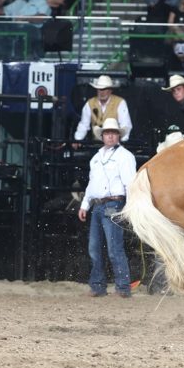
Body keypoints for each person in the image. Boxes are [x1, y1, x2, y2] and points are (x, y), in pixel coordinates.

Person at [78, 118, 135, 298]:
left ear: (118, 136)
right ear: (102, 136)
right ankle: (98, 286)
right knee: (94, 248)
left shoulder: (125, 156)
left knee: (113, 248)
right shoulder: (96, 158)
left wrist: (131, 204)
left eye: (113, 133)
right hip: (98, 204)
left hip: (114, 203)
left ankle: (122, 287)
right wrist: (85, 204)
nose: (110, 136)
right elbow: (92, 184)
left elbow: (130, 183)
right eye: (107, 133)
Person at [74, 74, 132, 144]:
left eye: (104, 89)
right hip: (96, 145)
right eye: (99, 89)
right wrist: (77, 140)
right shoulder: (89, 103)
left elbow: (125, 125)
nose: (102, 92)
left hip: (115, 145)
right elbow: (83, 125)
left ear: (110, 90)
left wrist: (123, 143)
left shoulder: (120, 103)